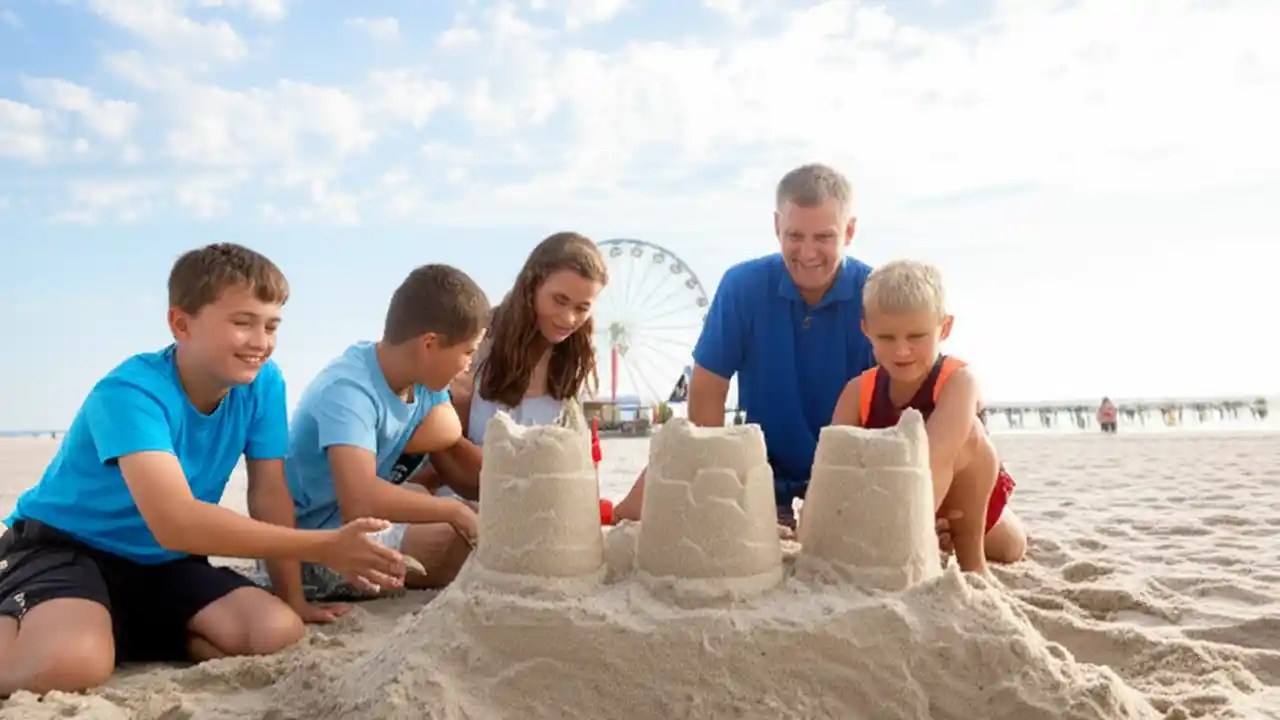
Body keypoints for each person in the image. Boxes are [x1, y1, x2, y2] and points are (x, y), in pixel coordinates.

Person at [0, 243, 406, 697]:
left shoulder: (263, 383)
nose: (261, 342)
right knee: (75, 664)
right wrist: (324, 546)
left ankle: (100, 625)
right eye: (242, 322)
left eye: (271, 326)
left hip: (161, 563)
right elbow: (176, 521)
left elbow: (269, 494)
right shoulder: (129, 391)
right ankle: (68, 627)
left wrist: (293, 598)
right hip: (66, 548)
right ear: (181, 324)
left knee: (275, 629)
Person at [614, 163, 881, 526]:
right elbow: (707, 395)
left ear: (849, 231)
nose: (807, 252)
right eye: (795, 235)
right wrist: (719, 483)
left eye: (824, 237)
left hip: (849, 467)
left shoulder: (875, 292)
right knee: (657, 484)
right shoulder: (742, 286)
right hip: (759, 468)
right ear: (776, 226)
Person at [277, 264, 489, 603]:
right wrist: (453, 513)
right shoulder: (349, 390)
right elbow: (359, 500)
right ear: (429, 344)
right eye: (467, 352)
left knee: (478, 518)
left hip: (362, 515)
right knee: (458, 540)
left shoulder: (418, 376)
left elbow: (448, 425)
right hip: (315, 540)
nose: (468, 366)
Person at [830, 259, 1028, 570]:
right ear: (866, 330)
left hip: (960, 502)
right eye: (886, 338)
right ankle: (916, 532)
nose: (901, 351)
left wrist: (914, 528)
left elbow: (936, 456)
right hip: (886, 500)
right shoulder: (859, 392)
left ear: (944, 328)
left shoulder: (959, 381)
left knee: (1010, 547)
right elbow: (835, 467)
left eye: (916, 336)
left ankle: (969, 557)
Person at [418, 232, 609, 497]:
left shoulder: (573, 361)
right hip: (463, 502)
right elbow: (435, 457)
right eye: (559, 300)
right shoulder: (475, 344)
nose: (568, 319)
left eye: (582, 307)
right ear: (531, 285)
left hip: (541, 507)